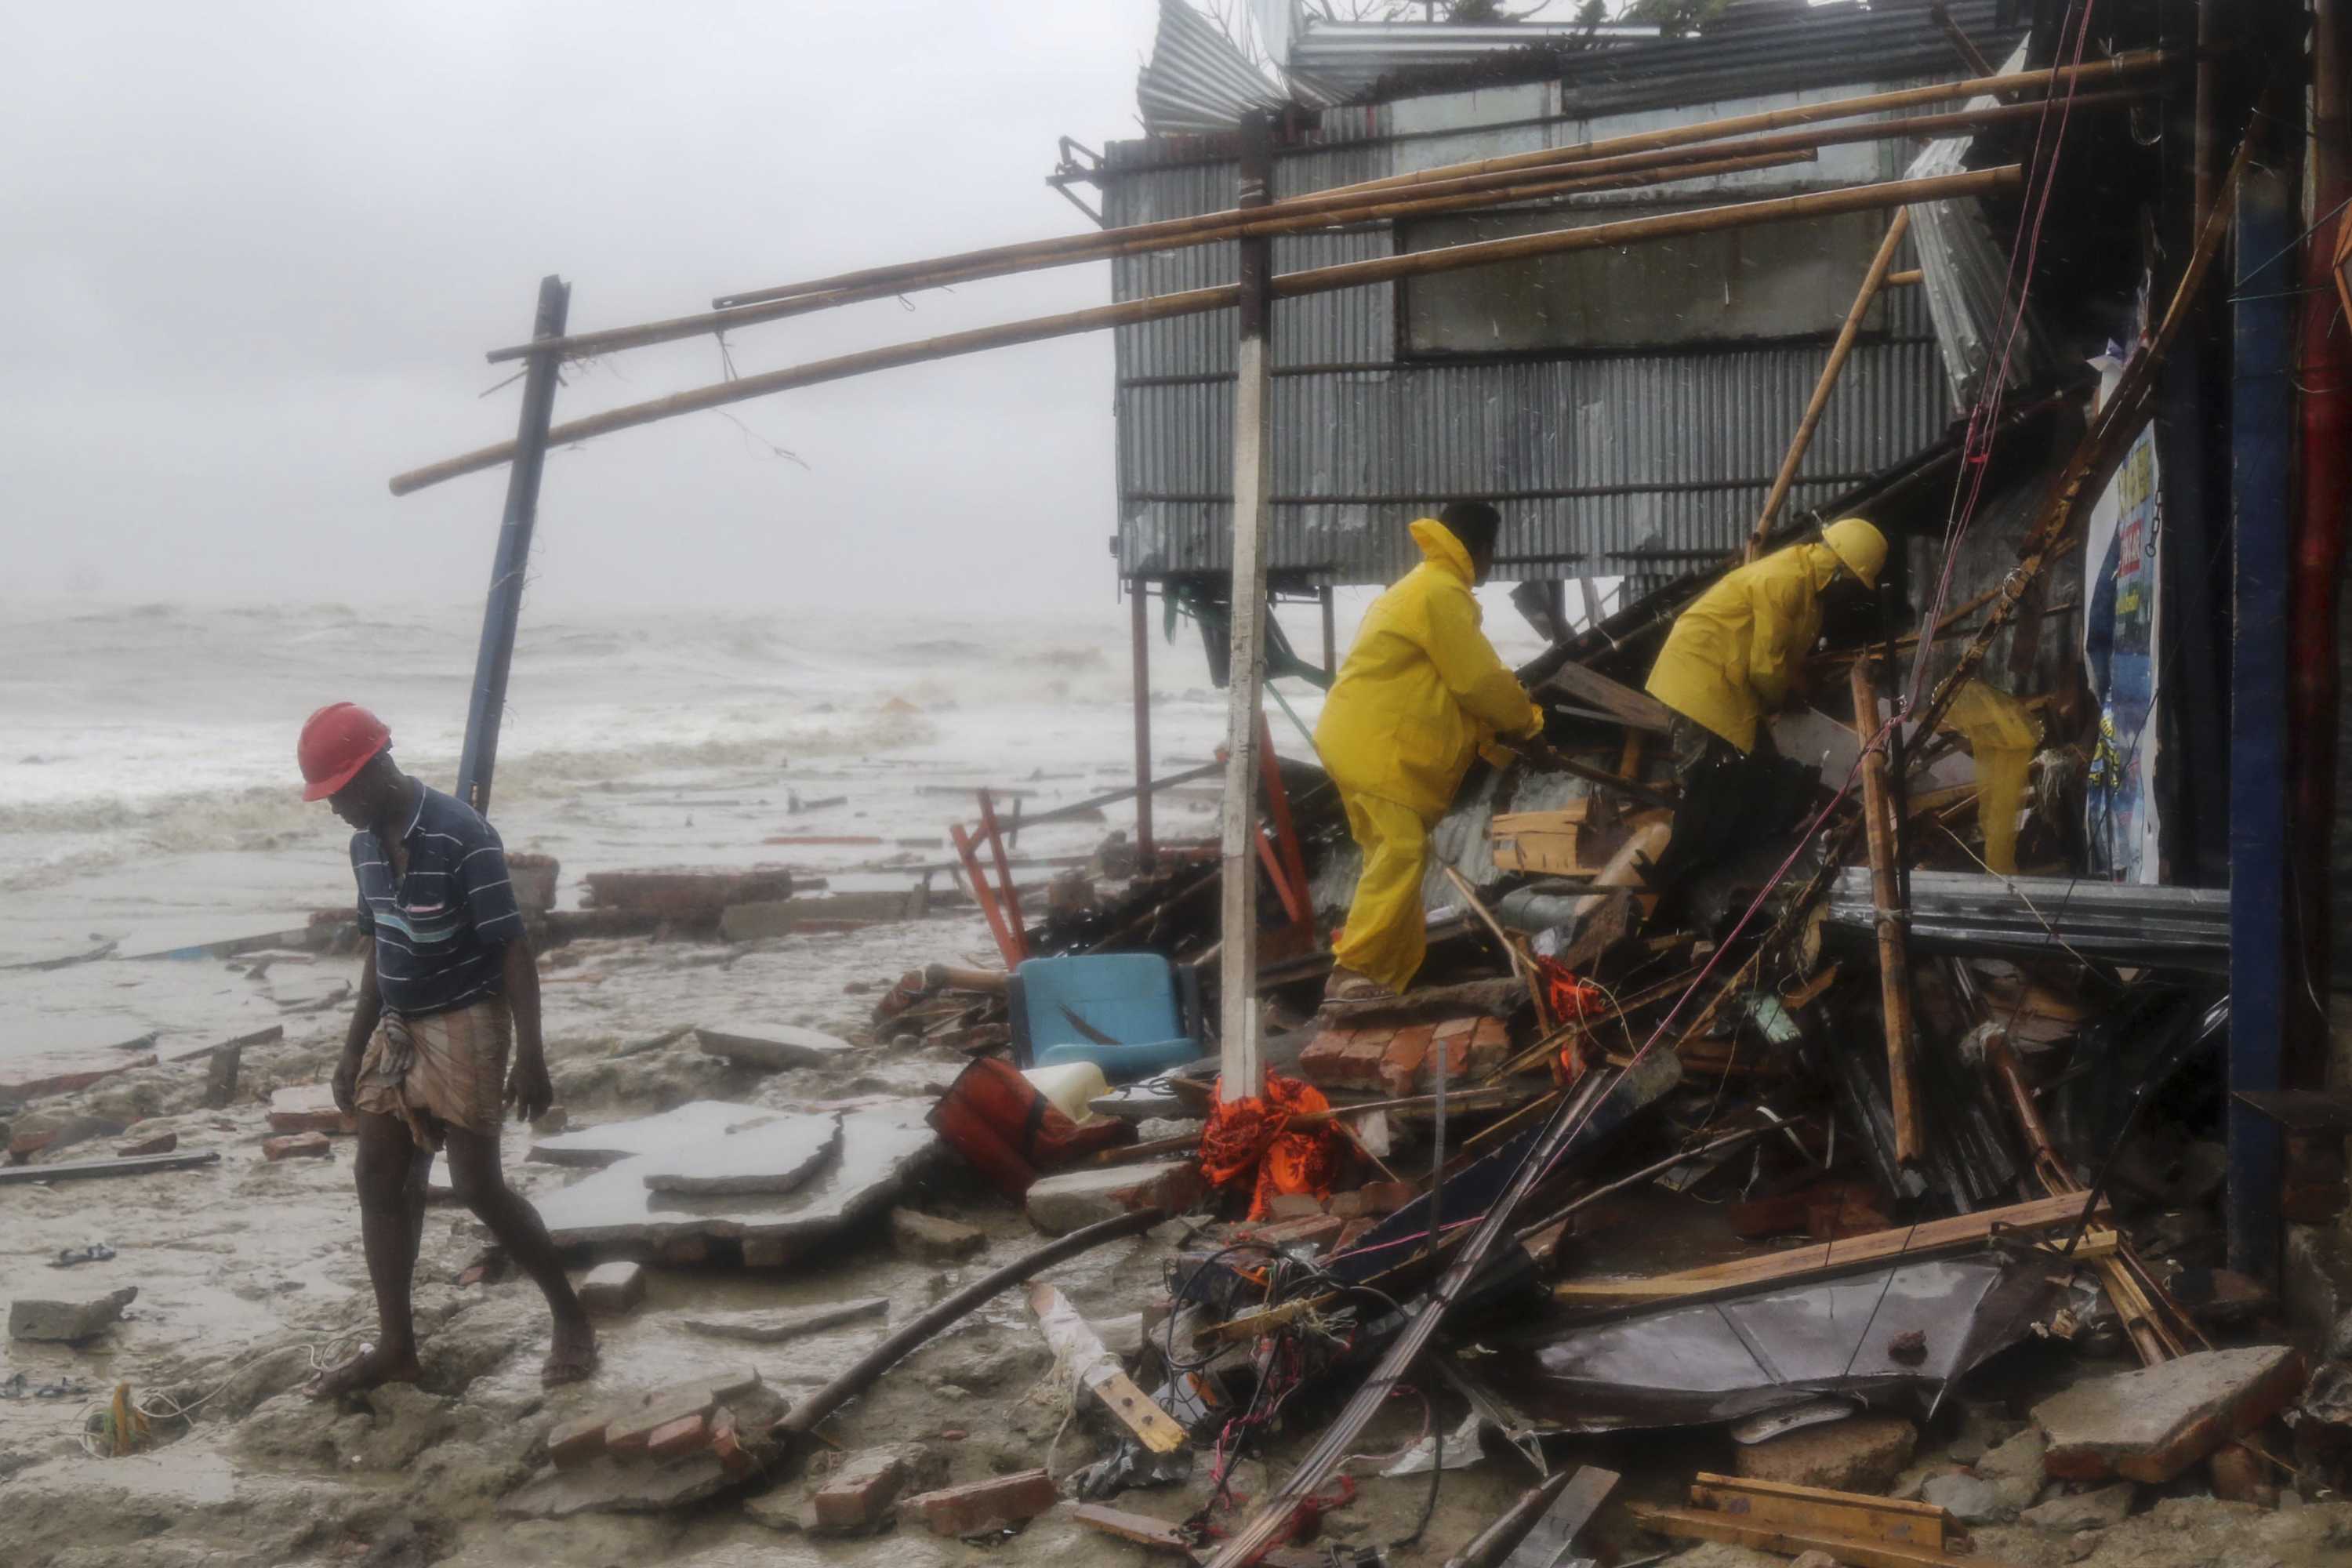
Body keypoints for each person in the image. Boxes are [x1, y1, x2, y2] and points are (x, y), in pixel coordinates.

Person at [297, 702, 595, 1396]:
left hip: (468, 1016)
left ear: (372, 772)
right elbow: (382, 950)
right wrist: (351, 1047)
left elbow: (514, 950)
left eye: (338, 794)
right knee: (377, 1175)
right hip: (400, 1022)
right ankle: (397, 1348)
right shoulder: (364, 846)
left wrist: (532, 1055)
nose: (335, 810)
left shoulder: (463, 836)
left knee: (476, 1186)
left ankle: (571, 1319)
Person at [1314, 503, 1544, 1002]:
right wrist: (1528, 724)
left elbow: (1449, 689)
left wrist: (1499, 742)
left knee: (1390, 856)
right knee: (1401, 851)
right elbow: (1478, 680)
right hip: (1375, 746)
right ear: (1481, 549)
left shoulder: (1423, 585)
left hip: (1356, 738)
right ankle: (1353, 971)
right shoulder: (1441, 592)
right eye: (1491, 553)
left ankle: (1383, 980)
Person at [1641, 517, 1887, 889]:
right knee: (1701, 782)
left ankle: (1735, 869)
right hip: (1699, 676)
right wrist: (1783, 697)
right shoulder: (1785, 580)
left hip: (1727, 682)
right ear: (1841, 572)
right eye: (1853, 583)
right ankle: (1677, 880)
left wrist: (1792, 685)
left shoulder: (1808, 593)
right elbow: (1766, 666)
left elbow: (1786, 657)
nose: (1851, 592)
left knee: (1763, 773)